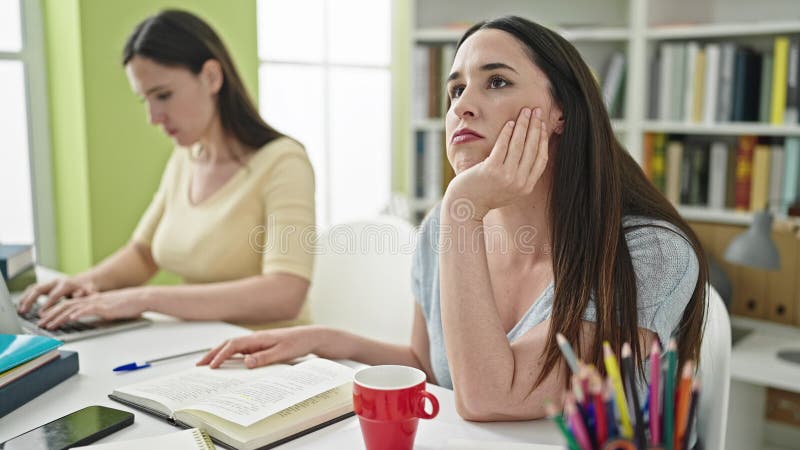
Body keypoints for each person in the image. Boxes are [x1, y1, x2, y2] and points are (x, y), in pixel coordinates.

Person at [198, 15, 707, 422]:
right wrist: (327, 340)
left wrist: (463, 206)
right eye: (455, 90)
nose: (463, 106)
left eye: (497, 82)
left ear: (562, 114)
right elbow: (432, 366)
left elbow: (488, 396)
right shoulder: (445, 223)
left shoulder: (650, 252)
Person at [17, 10, 316, 330]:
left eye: (163, 95)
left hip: (276, 361)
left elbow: (285, 293)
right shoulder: (185, 158)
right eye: (145, 100)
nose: (153, 117)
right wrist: (81, 286)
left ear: (212, 77)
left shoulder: (284, 163)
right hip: (200, 347)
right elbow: (143, 254)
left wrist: (146, 298)